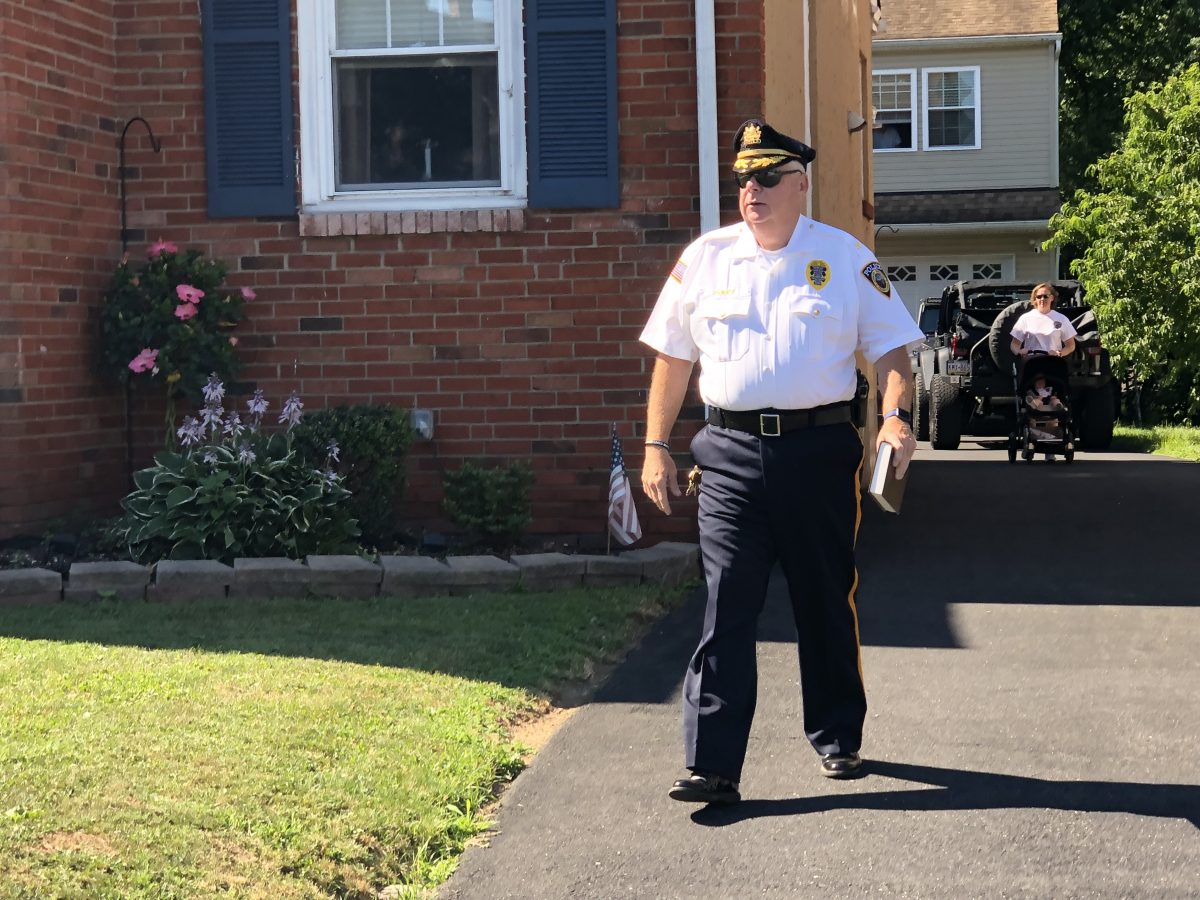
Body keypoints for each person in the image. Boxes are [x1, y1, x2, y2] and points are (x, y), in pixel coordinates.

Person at [638, 118, 923, 804]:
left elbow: (891, 353)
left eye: (767, 178)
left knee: (823, 598)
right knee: (726, 603)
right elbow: (674, 360)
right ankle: (712, 765)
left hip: (818, 453)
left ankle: (836, 736)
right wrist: (655, 445)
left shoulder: (845, 257)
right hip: (728, 456)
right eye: (743, 180)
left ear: (800, 184)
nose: (752, 191)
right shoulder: (705, 259)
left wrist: (895, 418)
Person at [1010, 283, 1077, 360]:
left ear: (1051, 298)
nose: (1042, 299)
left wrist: (1059, 353)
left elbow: (1070, 345)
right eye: (1039, 297)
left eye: (1045, 296)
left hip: (1053, 362)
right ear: (1035, 299)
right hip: (1031, 361)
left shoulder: (1061, 319)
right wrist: (1019, 352)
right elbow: (1014, 344)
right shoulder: (1025, 318)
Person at [1025, 374, 1065, 440]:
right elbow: (1032, 396)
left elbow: (1053, 396)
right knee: (1036, 400)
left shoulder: (1049, 389)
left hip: (1051, 408)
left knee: (1054, 400)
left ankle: (1058, 405)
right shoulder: (1032, 390)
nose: (1040, 383)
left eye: (1042, 381)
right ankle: (1033, 403)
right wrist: (1041, 397)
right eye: (1038, 381)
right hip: (1036, 409)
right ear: (1034, 383)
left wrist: (1053, 397)